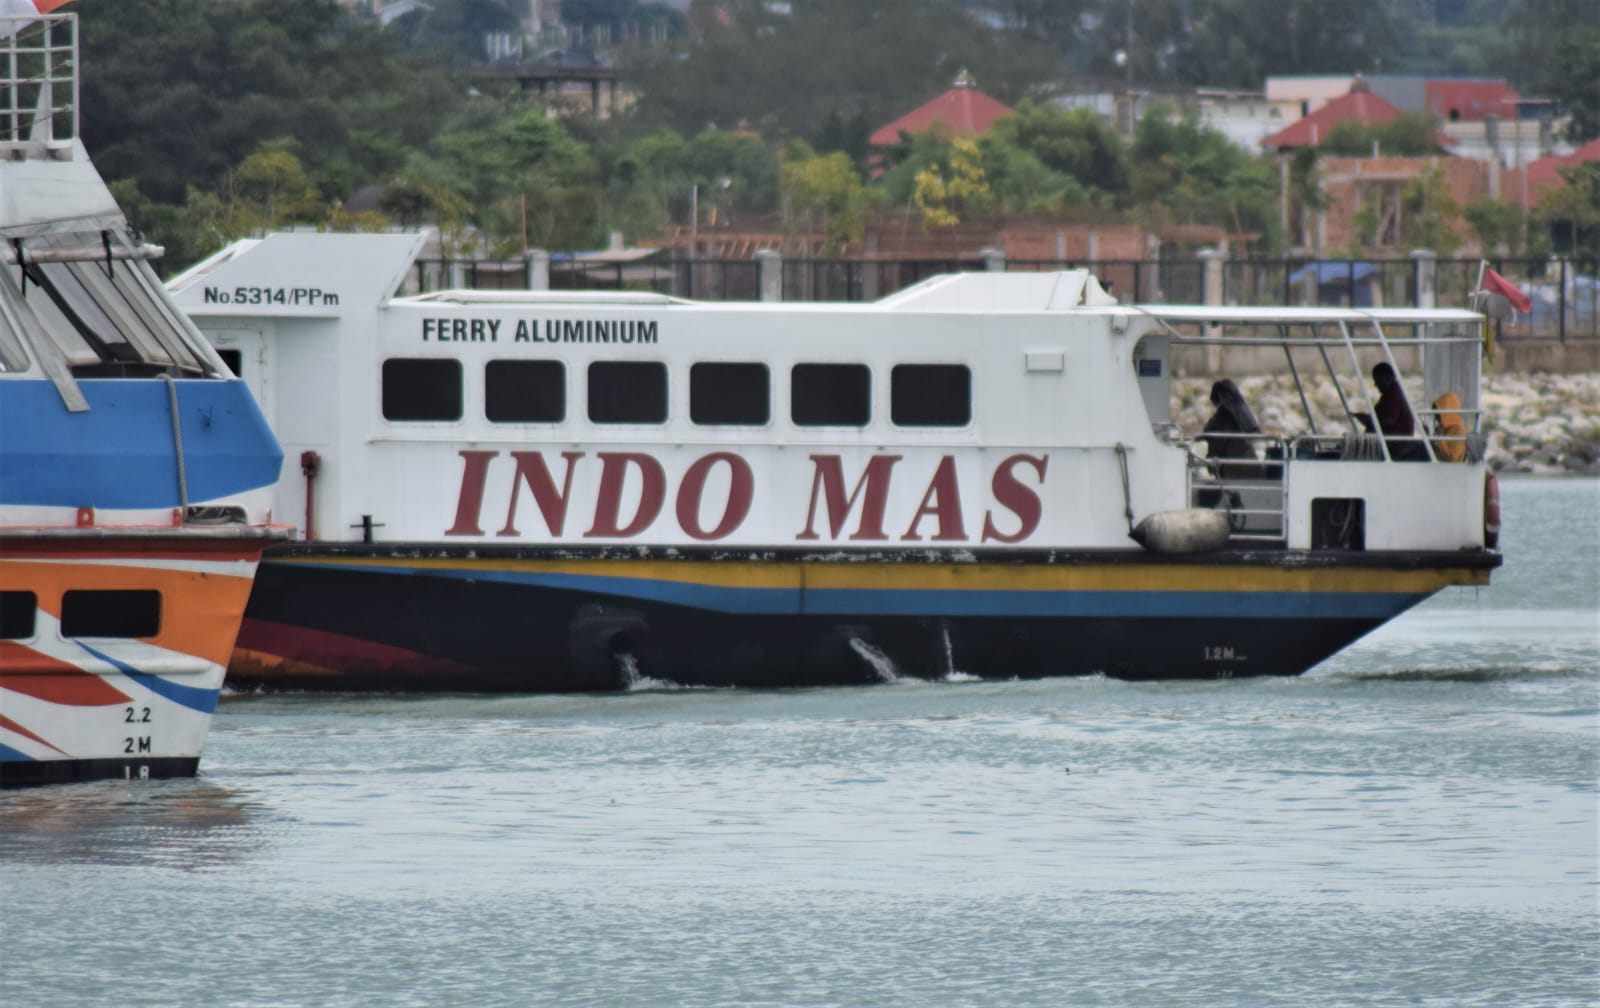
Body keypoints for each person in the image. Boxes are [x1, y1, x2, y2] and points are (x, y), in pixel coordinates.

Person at [1200, 378, 1260, 472]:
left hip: (1234, 466)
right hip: (1248, 461)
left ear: (1219, 396)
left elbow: (1220, 438)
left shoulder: (1226, 412)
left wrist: (1212, 458)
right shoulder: (1241, 410)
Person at [1371, 363, 1427, 460]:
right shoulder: (1394, 393)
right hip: (1396, 441)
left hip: (1396, 444)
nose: (1375, 384)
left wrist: (1370, 421)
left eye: (1377, 379)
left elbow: (1389, 421)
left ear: (1386, 377)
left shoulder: (1393, 395)